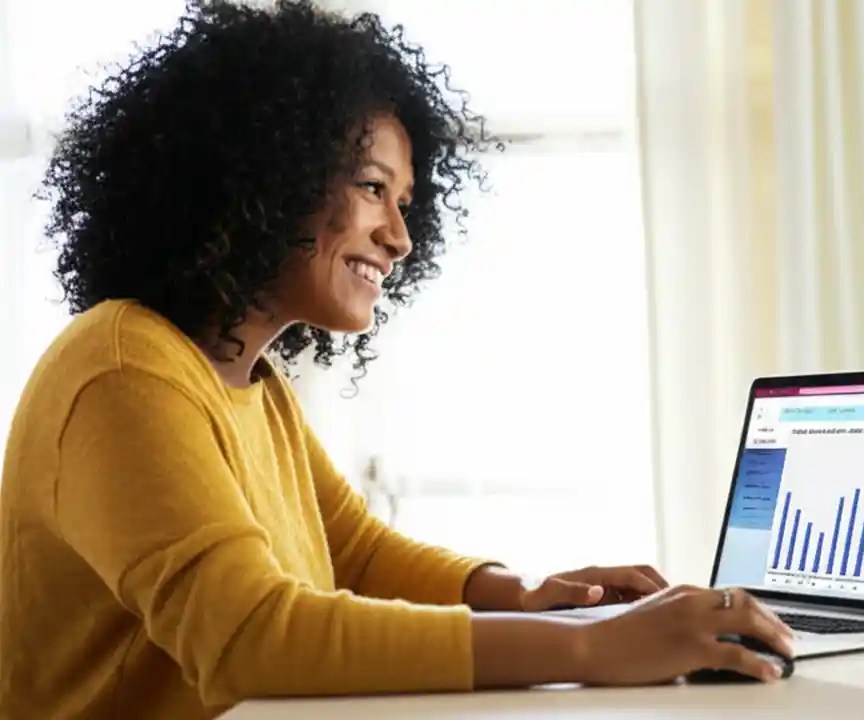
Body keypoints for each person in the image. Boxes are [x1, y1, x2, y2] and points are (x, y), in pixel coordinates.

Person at [0, 1, 794, 718]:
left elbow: (354, 555)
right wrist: (592, 648)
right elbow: (246, 636)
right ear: (266, 175)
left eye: (405, 203)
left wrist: (528, 595)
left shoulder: (250, 384)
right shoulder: (123, 372)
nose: (400, 238)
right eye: (373, 188)